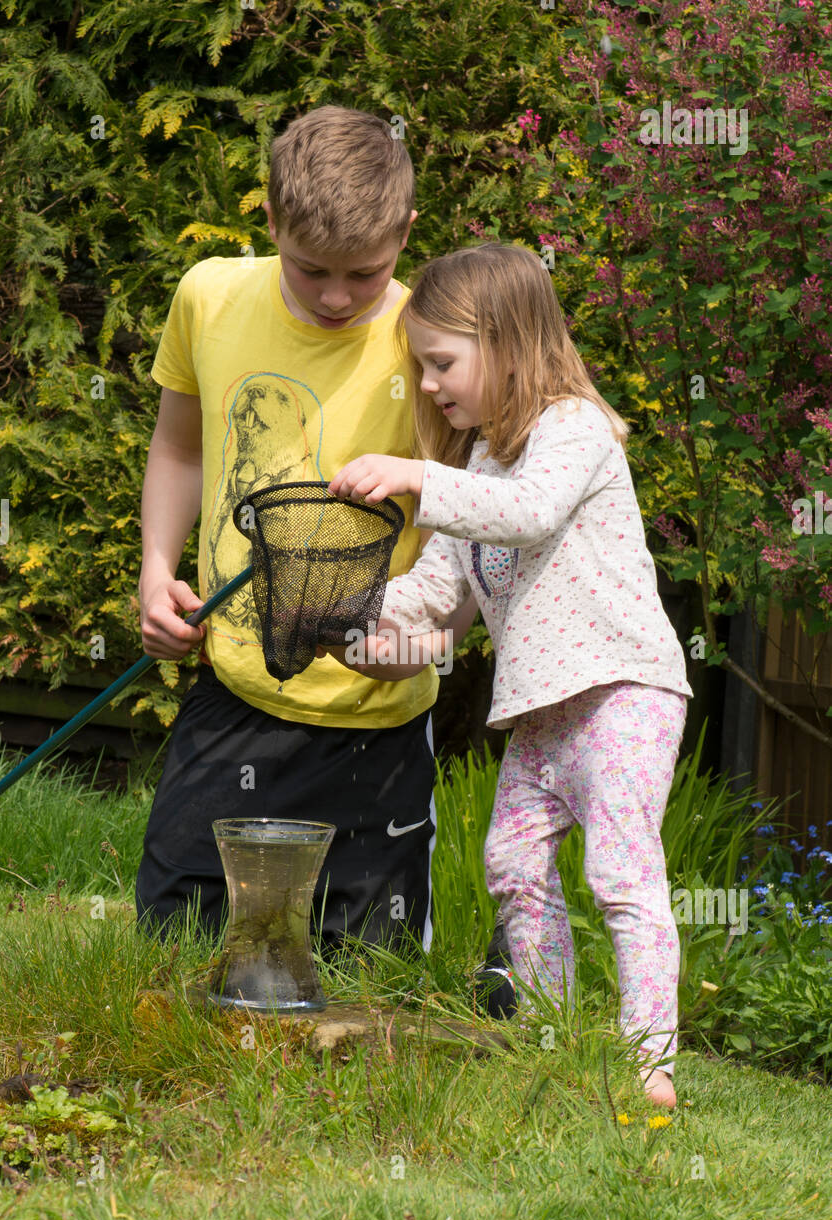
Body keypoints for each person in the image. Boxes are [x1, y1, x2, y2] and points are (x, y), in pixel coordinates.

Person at [327, 242, 693, 1108]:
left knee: (620, 873)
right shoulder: (478, 466)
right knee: (512, 865)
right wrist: (355, 625)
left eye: (442, 362)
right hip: (542, 714)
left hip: (622, 693)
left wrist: (415, 476)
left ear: (508, 342)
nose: (427, 385)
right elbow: (437, 588)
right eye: (421, 367)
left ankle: (652, 1068)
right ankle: (552, 1035)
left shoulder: (574, 430)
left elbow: (527, 517)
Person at [135, 104, 475, 959]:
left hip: (378, 716)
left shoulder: (437, 346)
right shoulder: (209, 296)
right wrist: (153, 569)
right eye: (309, 267)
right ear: (273, 218)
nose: (334, 296)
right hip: (235, 689)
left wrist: (433, 641)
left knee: (368, 973)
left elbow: (475, 526)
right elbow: (180, 447)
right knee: (172, 940)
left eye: (365, 273)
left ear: (407, 232)